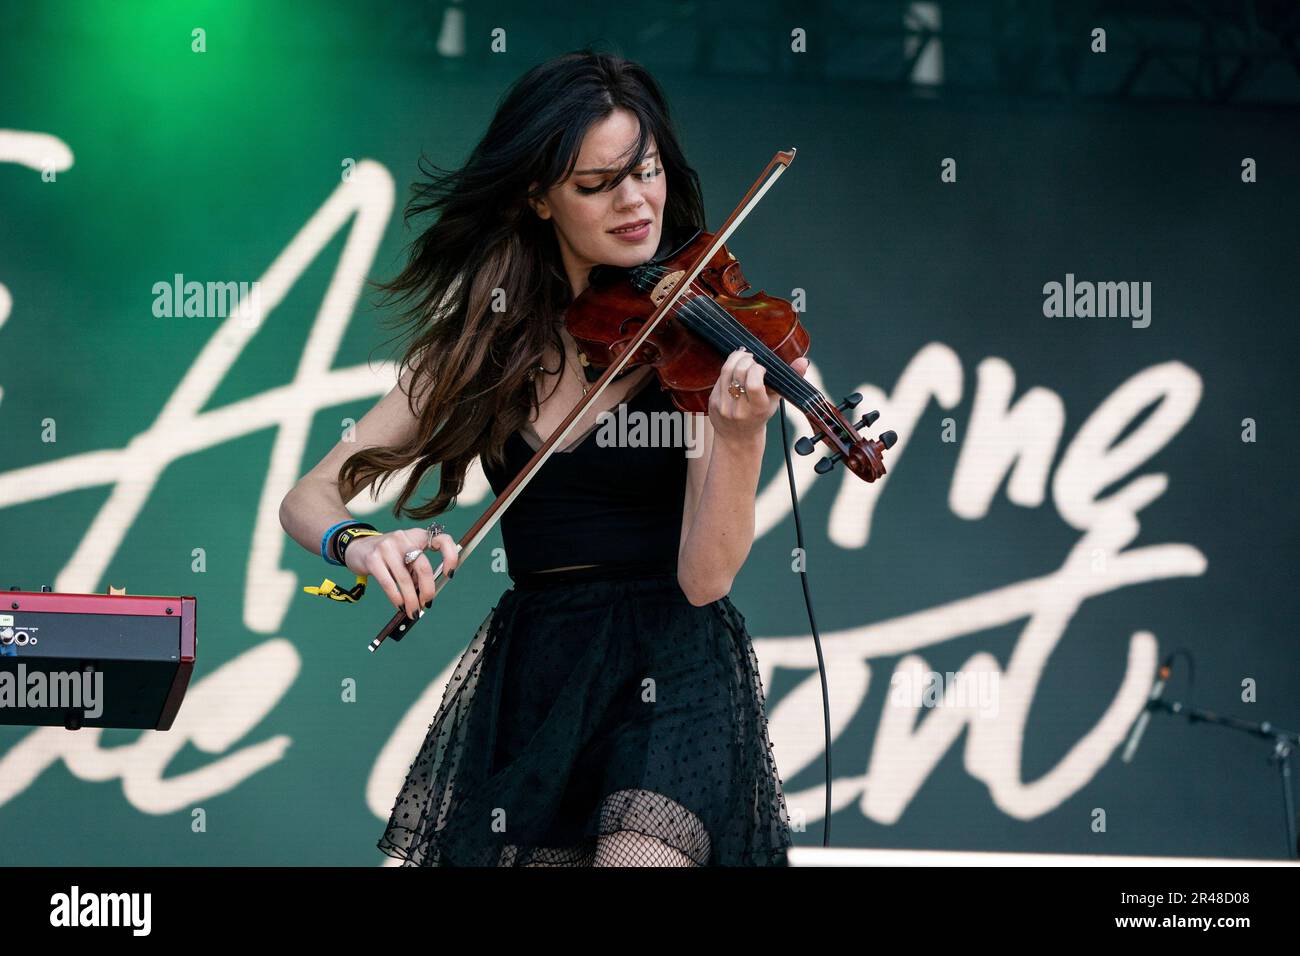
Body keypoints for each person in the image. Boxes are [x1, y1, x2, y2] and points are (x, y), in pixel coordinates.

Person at [279, 48, 800, 866]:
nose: (636, 202)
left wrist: (738, 436)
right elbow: (307, 497)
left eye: (649, 171)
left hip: (676, 668)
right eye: (596, 185)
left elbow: (707, 578)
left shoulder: (702, 341)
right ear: (540, 199)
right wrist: (363, 543)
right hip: (539, 673)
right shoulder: (486, 347)